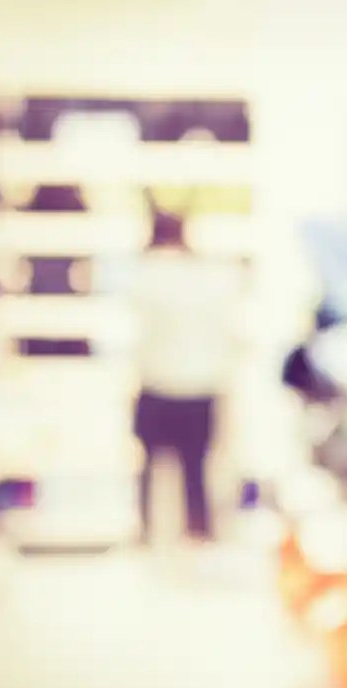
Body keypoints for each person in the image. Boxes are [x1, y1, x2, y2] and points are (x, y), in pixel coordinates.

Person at [130, 211, 242, 548]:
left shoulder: (144, 275)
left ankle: (147, 532)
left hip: (156, 385)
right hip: (202, 386)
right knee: (196, 469)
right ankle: (199, 532)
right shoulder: (211, 277)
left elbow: (136, 335)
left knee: (148, 467)